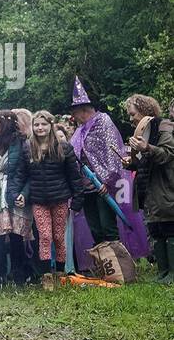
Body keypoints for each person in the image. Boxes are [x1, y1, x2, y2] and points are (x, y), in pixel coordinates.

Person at [11, 110, 84, 279]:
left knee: (59, 237)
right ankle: (46, 276)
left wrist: (78, 199)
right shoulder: (28, 147)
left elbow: (74, 176)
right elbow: (21, 174)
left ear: (51, 125)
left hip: (60, 198)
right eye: (36, 125)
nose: (39, 128)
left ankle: (60, 272)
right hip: (38, 199)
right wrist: (17, 193)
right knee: (44, 236)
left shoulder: (64, 147)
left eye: (43, 124)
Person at [123, 94, 174, 282]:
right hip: (149, 190)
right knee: (156, 229)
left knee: (169, 227)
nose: (130, 118)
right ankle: (162, 272)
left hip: (165, 187)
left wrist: (147, 148)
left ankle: (172, 273)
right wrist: (132, 163)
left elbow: (168, 154)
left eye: (132, 114)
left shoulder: (164, 127)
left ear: (145, 110)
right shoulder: (142, 131)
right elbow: (146, 163)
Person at [68, 76, 124, 244]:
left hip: (102, 185)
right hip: (86, 188)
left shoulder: (103, 121)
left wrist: (108, 181)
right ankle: (105, 266)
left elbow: (113, 151)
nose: (72, 116)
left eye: (74, 112)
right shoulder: (79, 131)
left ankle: (118, 266)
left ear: (83, 110)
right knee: (95, 229)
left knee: (108, 227)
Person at [0, 110, 32, 285]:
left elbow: (29, 172)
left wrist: (24, 193)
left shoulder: (21, 142)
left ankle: (19, 273)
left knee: (17, 235)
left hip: (13, 190)